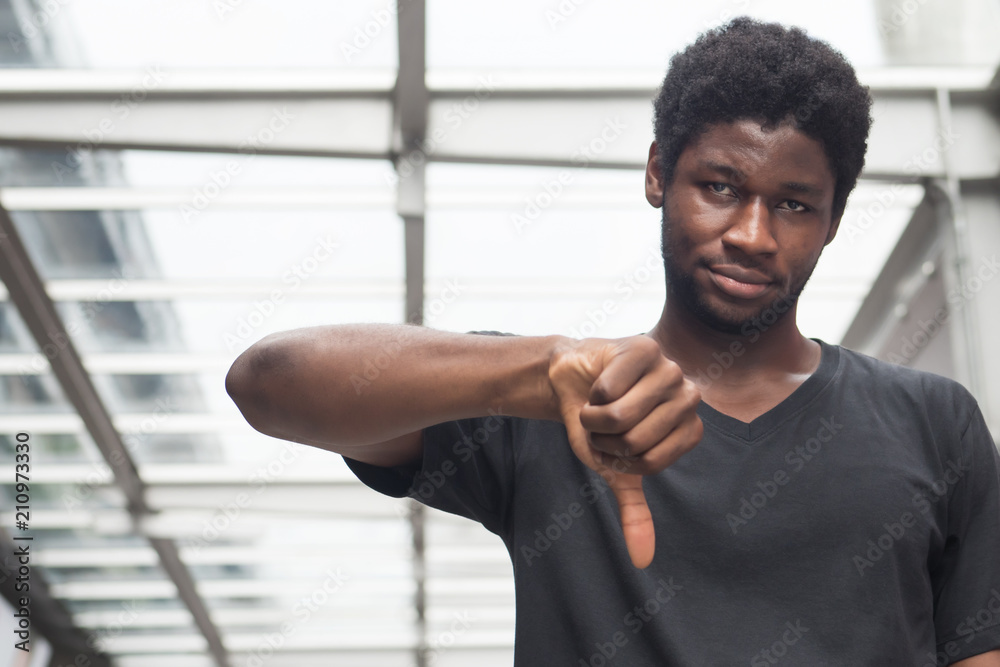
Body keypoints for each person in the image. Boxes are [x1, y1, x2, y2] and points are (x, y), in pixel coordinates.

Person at [226, 17, 1000, 666]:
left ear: (832, 220)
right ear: (659, 172)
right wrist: (534, 369)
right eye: (721, 186)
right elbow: (266, 383)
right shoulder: (555, 399)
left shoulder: (934, 423)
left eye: (795, 204)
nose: (753, 235)